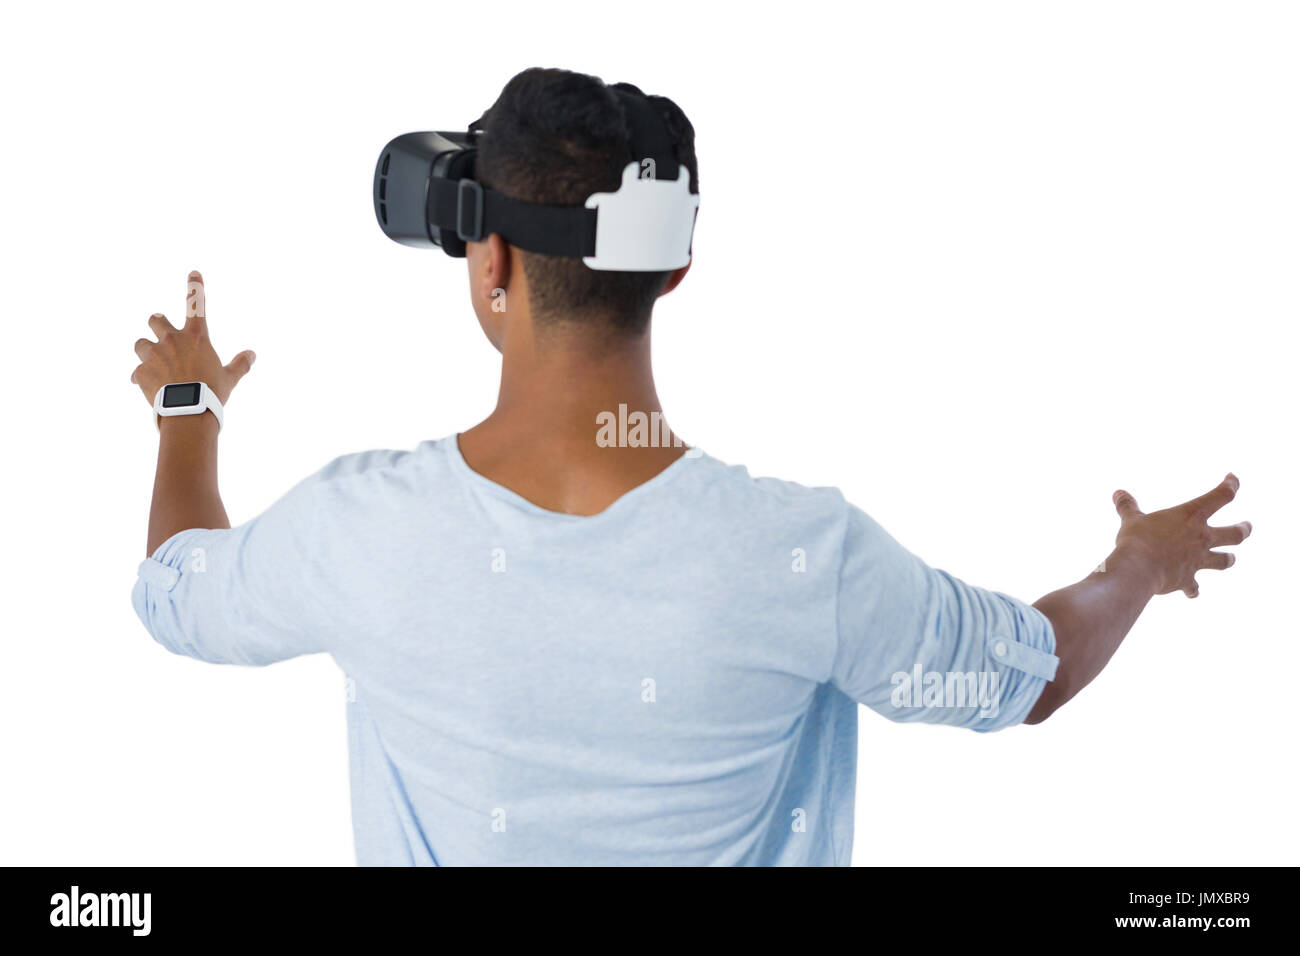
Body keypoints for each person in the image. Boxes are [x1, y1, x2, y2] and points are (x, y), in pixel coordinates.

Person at [129, 67, 1251, 866]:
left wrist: (191, 408)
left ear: (491, 261)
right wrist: (1137, 563)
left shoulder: (355, 531)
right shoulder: (803, 555)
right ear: (674, 269)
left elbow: (178, 591)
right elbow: (1032, 674)